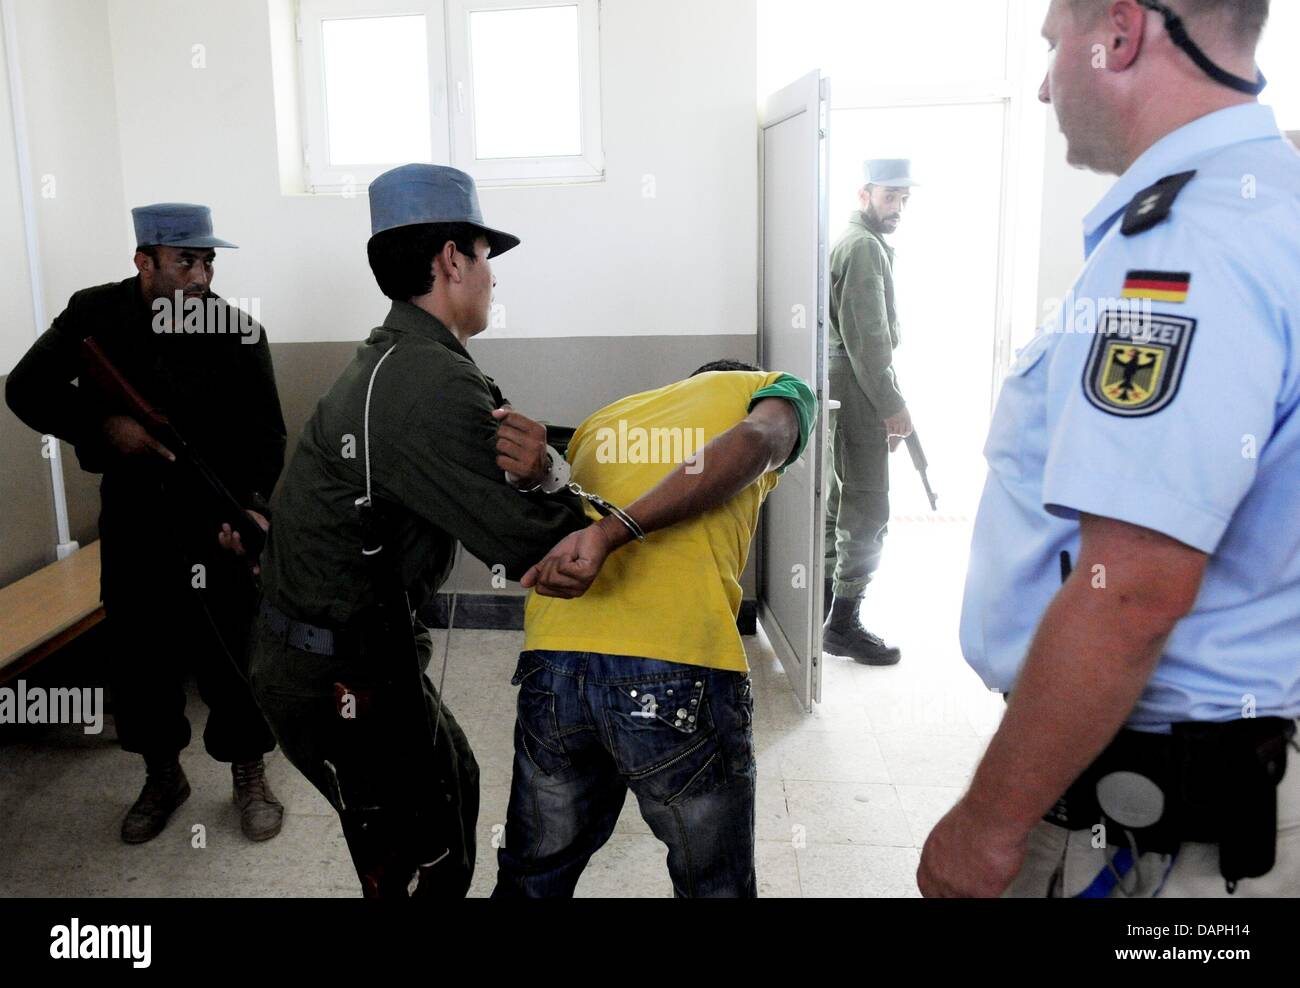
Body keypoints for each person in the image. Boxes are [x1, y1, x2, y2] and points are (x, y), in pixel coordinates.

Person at [918, 0, 1299, 898]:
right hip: (1222, 780)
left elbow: (1131, 590)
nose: (1044, 86)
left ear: (1119, 35)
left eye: (1054, 46)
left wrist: (988, 823)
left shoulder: (1185, 245)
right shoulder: (1268, 199)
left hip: (1157, 830)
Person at [245, 164, 589, 898]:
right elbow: (536, 545)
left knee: (449, 785)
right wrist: (561, 486)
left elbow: (499, 448)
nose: (493, 276)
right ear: (452, 260)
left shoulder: (407, 358)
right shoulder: (425, 379)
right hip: (335, 676)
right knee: (418, 851)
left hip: (351, 651)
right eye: (486, 256)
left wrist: (560, 459)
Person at [5, 203, 288, 844]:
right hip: (134, 514)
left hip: (214, 516)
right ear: (144, 261)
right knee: (139, 653)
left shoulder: (238, 331)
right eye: (186, 261)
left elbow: (266, 435)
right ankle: (163, 775)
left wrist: (252, 507)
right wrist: (103, 427)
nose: (201, 276)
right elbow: (25, 388)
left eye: (208, 261)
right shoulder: (95, 313)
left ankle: (249, 771)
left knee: (232, 652)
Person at [493, 360, 817, 898]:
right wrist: (613, 532)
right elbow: (757, 441)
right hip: (676, 664)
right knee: (713, 884)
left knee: (533, 876)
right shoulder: (771, 388)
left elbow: (554, 514)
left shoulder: (604, 419)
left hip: (554, 661)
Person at [822, 159, 918, 665]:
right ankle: (842, 624)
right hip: (857, 384)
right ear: (864, 194)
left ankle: (825, 615)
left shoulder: (856, 241)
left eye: (903, 198)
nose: (897, 207)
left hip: (845, 380)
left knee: (839, 501)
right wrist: (892, 404)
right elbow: (870, 339)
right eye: (889, 197)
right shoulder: (862, 246)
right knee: (867, 505)